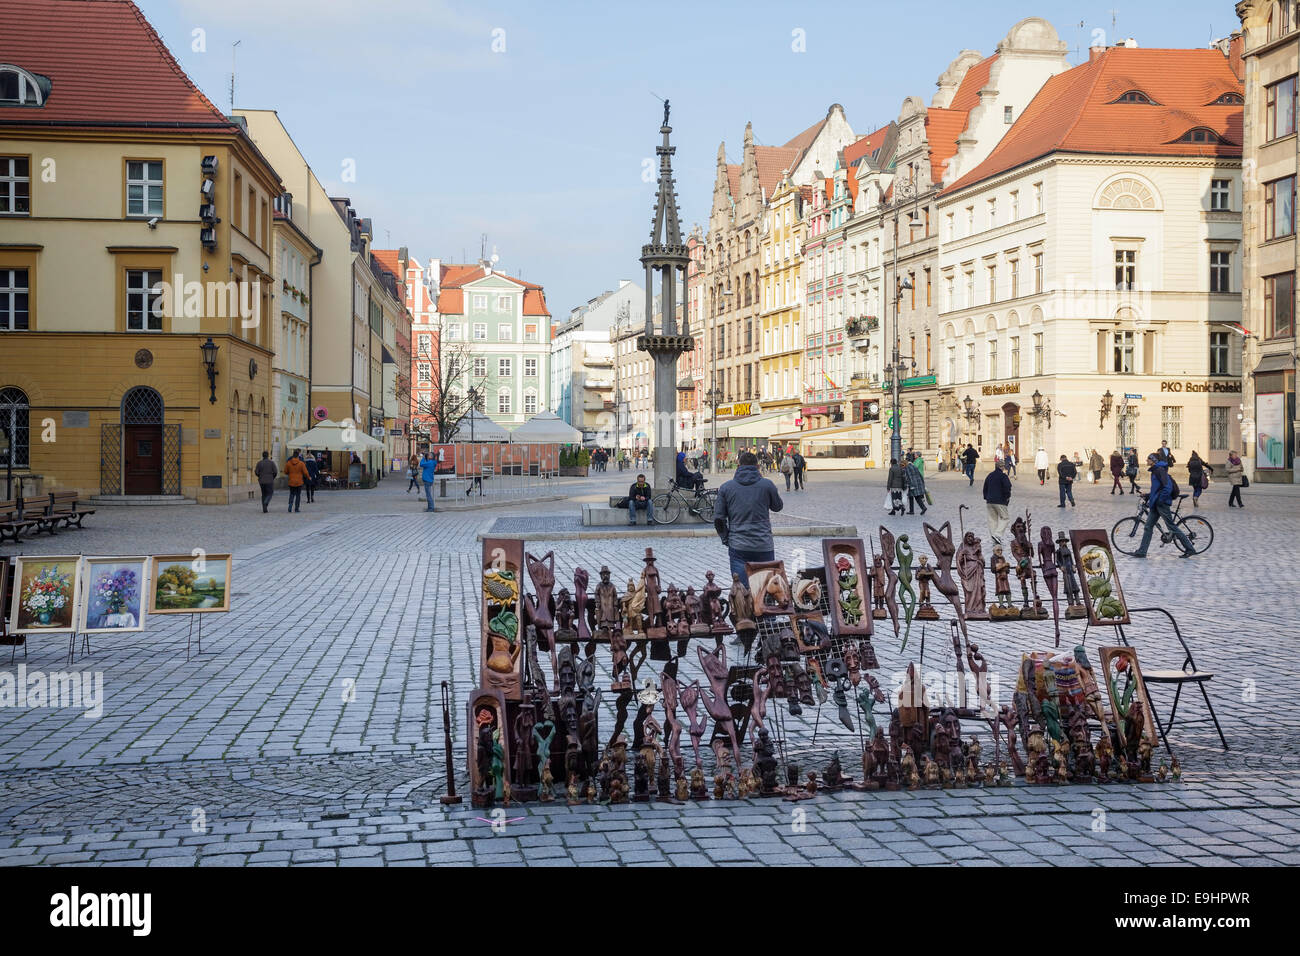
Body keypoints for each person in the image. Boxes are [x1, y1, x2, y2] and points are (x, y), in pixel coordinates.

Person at [713, 450, 783, 580]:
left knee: (743, 590)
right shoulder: (767, 485)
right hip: (763, 544)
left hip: (738, 545)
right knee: (764, 589)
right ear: (757, 466)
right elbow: (777, 507)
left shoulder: (726, 487)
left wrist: (726, 538)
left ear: (738, 466)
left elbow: (718, 519)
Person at [1132, 454, 1194, 558]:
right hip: (1156, 504)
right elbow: (1157, 489)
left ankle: (1189, 548)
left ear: (1153, 460)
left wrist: (1160, 500)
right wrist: (1148, 495)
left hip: (1161, 504)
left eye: (1148, 458)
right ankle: (1142, 551)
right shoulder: (1156, 470)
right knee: (1148, 527)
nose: (1146, 460)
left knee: (1171, 526)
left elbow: (1167, 488)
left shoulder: (1159, 470)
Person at [982, 460, 1012, 544]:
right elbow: (1007, 487)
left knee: (992, 520)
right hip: (1000, 501)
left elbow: (985, 487)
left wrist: (986, 497)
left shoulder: (990, 475)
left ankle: (994, 538)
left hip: (990, 501)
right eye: (1003, 466)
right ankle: (997, 534)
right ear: (1001, 467)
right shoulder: (1003, 476)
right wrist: (1007, 497)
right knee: (1005, 518)